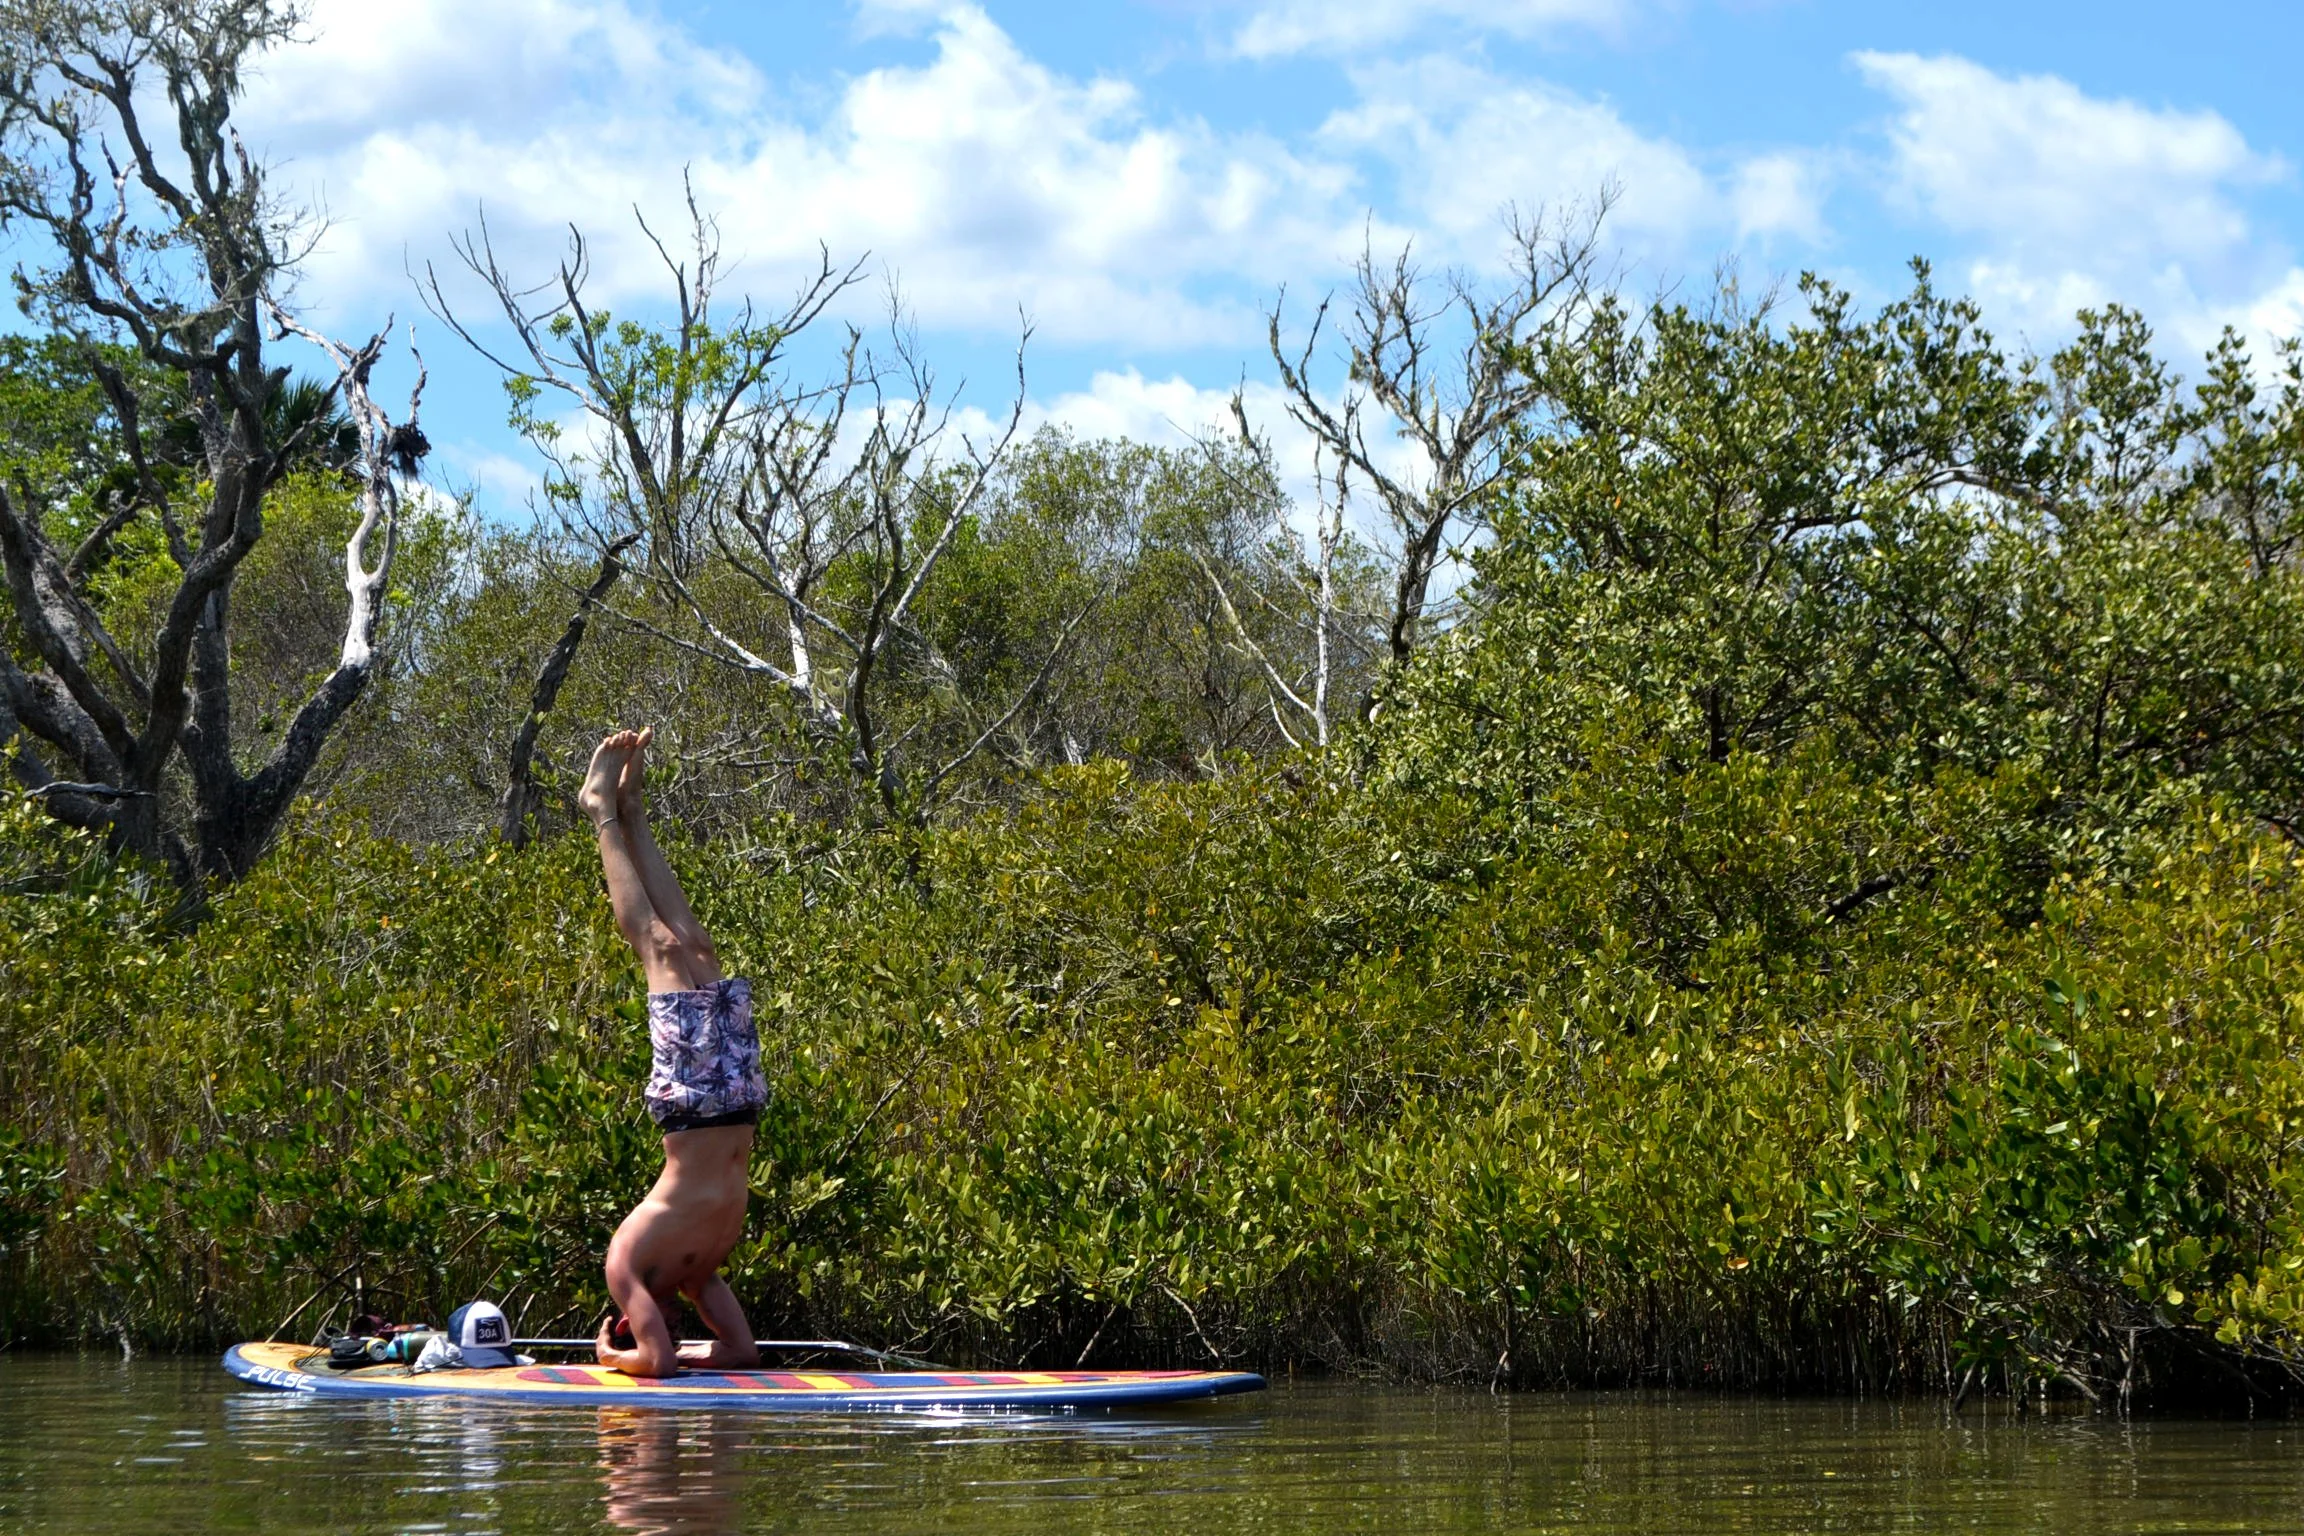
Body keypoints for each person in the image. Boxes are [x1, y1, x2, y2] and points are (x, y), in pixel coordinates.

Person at [579, 727, 767, 1377]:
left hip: (693, 1105)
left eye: (638, 1327)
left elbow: (652, 1362)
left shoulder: (625, 1269)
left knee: (658, 947)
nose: (672, 1321)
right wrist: (684, 1351)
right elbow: (739, 1353)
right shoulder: (700, 1276)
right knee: (697, 948)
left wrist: (611, 1355)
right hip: (738, 1100)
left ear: (627, 1320)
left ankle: (603, 810)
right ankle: (633, 813)